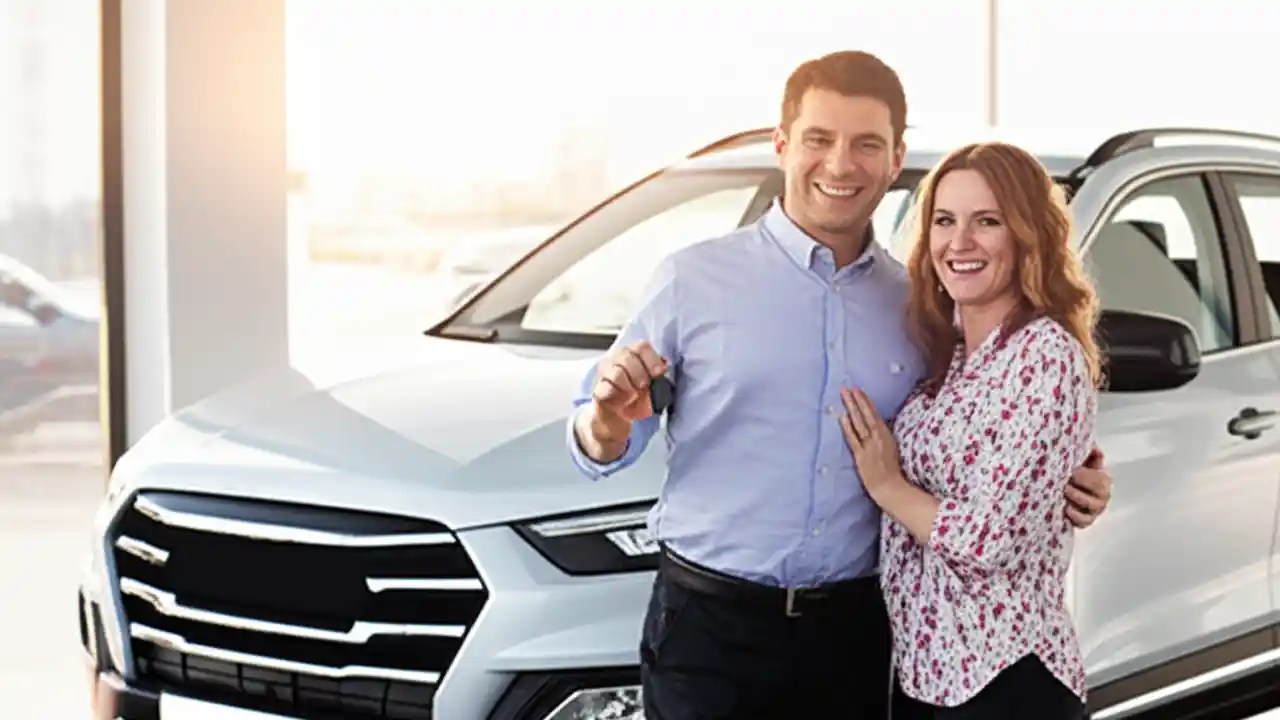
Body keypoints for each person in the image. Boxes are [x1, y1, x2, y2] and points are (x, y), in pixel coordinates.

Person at [566, 50, 1112, 719]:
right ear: (782, 144)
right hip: (710, 631)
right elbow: (601, 437)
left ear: (894, 158)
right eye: (819, 139)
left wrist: (1067, 484)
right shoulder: (691, 281)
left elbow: (980, 436)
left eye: (866, 144)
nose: (840, 164)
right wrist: (606, 423)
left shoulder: (920, 306)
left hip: (855, 634)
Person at [840, 142, 1100, 718]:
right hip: (923, 674)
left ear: (1027, 234)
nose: (959, 243)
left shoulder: (1043, 356)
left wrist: (887, 487)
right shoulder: (948, 349)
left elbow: (991, 539)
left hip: (1005, 680)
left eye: (987, 221)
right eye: (944, 221)